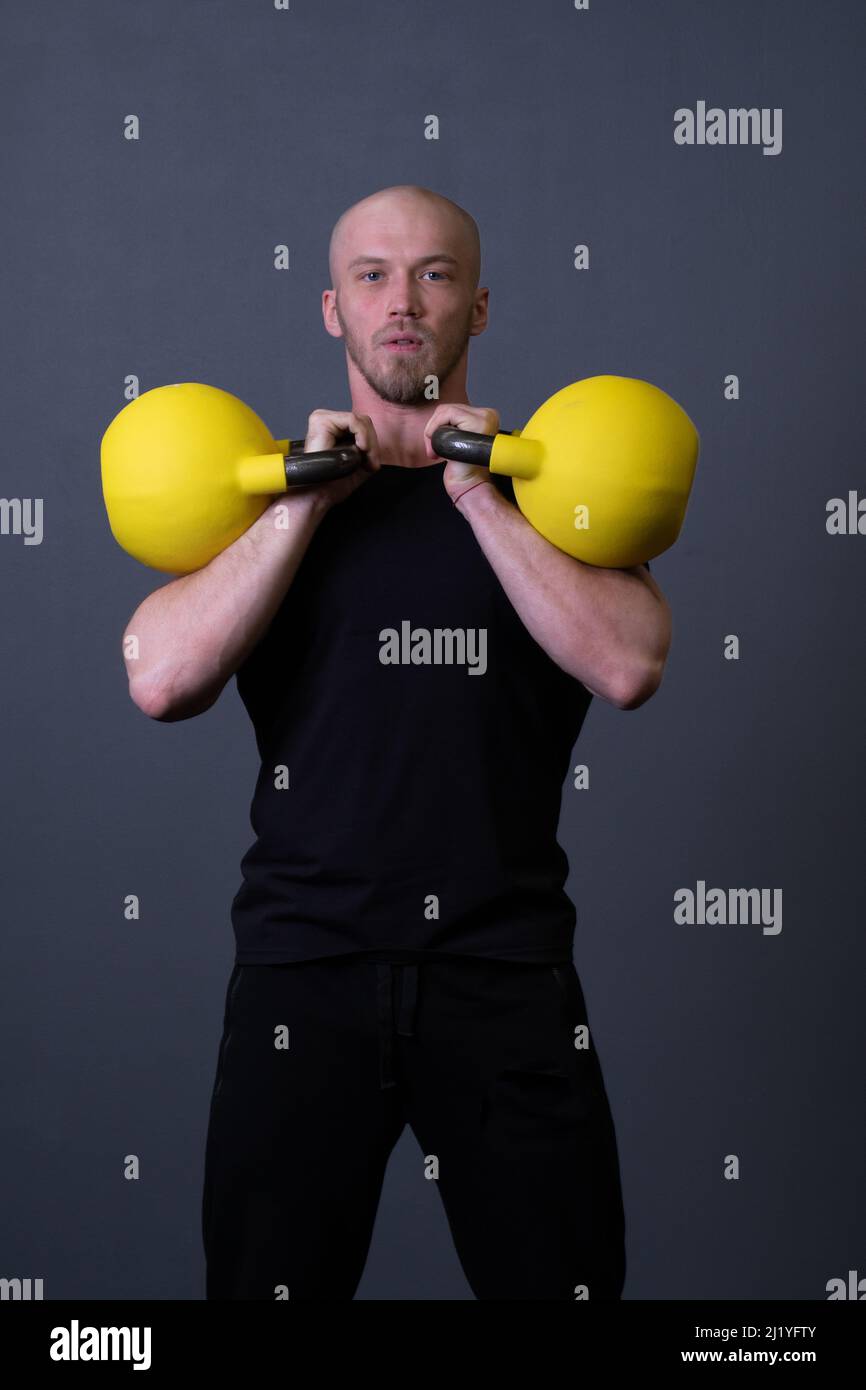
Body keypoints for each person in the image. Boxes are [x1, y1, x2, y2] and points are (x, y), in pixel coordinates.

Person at [123, 184, 672, 1300]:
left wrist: (476, 492)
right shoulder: (266, 497)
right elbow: (161, 677)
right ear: (332, 309)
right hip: (303, 969)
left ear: (478, 307)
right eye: (371, 274)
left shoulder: (550, 496)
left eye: (433, 273)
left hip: (504, 971)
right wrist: (299, 504)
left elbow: (629, 664)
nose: (402, 301)